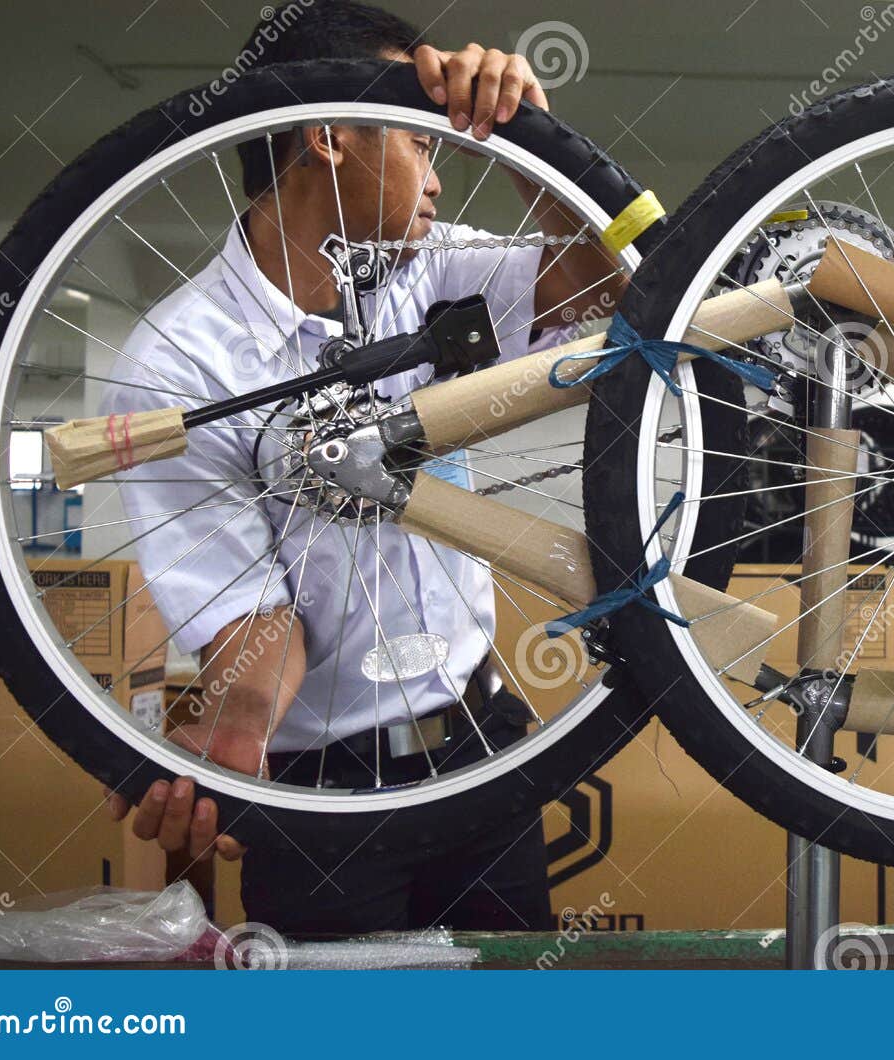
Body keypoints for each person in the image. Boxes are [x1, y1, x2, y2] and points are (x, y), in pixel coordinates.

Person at [102, 0, 623, 934]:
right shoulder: (177, 363)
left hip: (485, 752)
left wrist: (533, 150)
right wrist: (240, 729)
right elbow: (252, 615)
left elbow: (624, 297)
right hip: (320, 806)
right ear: (331, 135)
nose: (438, 172)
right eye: (420, 143)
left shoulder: (428, 270)